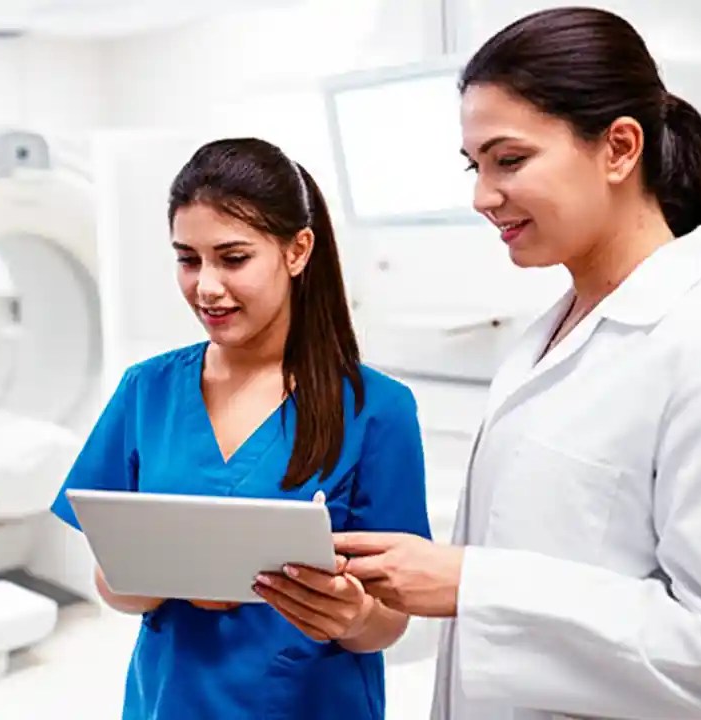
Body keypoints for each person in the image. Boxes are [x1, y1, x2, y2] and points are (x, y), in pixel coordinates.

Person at [334, 7, 701, 719]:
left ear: (618, 148)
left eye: (509, 160)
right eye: (475, 165)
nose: (481, 196)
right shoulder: (546, 338)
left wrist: (472, 584)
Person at [48, 137, 432, 719]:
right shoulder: (146, 390)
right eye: (187, 258)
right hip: (173, 700)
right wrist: (164, 575)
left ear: (298, 250)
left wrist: (352, 616)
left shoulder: (377, 408)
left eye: (232, 258)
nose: (206, 286)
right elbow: (112, 584)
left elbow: (391, 620)